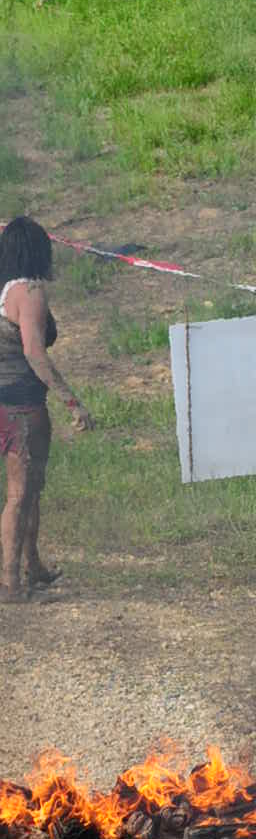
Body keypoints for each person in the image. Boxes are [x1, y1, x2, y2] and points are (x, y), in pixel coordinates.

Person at [0, 216, 91, 603]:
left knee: (31, 489)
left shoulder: (4, 290)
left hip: (6, 401)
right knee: (21, 493)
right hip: (22, 404)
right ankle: (11, 585)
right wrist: (73, 401)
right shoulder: (31, 293)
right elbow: (35, 353)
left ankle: (31, 566)